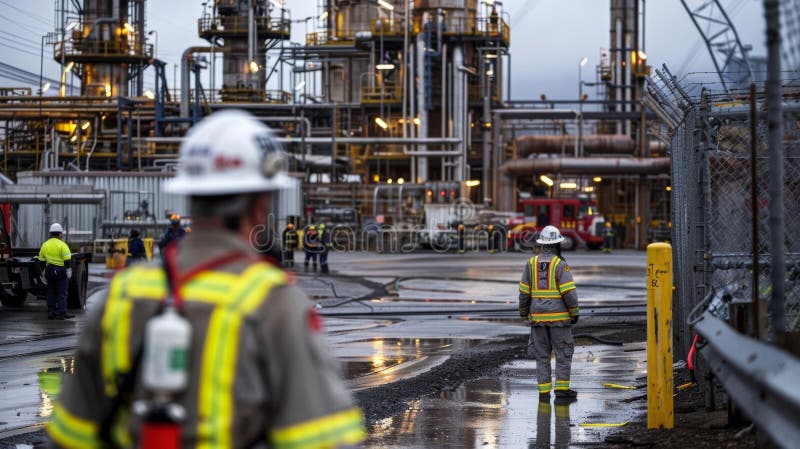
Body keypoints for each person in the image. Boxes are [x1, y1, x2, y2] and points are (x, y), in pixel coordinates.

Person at [47, 110, 365, 449]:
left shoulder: (120, 297)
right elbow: (325, 441)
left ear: (190, 197)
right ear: (261, 203)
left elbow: (71, 436)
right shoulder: (275, 305)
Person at [518, 225, 579, 401]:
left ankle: (544, 391)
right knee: (563, 353)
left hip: (537, 320)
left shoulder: (530, 263)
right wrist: (574, 313)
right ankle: (561, 389)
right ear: (557, 244)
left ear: (542, 244)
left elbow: (524, 293)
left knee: (542, 355)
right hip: (559, 320)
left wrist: (524, 313)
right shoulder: (561, 265)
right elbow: (569, 293)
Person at [38, 223, 73, 320]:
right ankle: (62, 313)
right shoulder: (63, 245)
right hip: (61, 271)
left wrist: (43, 272)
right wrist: (68, 271)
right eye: (61, 233)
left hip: (49, 270)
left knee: (50, 291)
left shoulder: (45, 245)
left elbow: (41, 260)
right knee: (62, 292)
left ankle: (51, 312)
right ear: (59, 234)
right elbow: (67, 260)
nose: (62, 235)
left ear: (51, 233)